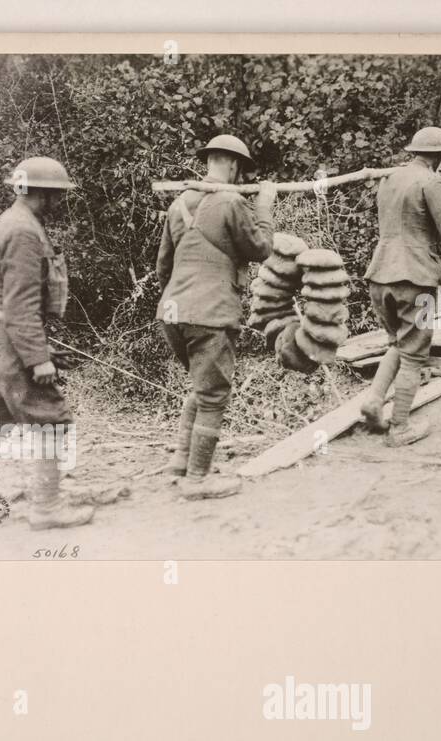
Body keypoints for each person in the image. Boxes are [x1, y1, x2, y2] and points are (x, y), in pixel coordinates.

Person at [0, 156, 94, 530]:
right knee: (51, 415)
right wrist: (38, 359)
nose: (60, 203)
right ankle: (47, 509)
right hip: (10, 337)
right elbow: (21, 306)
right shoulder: (24, 232)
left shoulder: (14, 222)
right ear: (42, 194)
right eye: (57, 195)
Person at [156, 134, 275, 500]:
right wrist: (266, 206)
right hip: (209, 312)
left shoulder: (179, 203)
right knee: (213, 395)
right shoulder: (232, 201)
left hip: (172, 312)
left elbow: (164, 266)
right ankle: (197, 480)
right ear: (235, 166)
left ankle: (180, 461)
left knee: (201, 385)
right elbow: (262, 248)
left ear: (209, 161)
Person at [362, 126, 441, 447]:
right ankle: (400, 428)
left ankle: (374, 400)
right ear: (440, 157)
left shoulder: (389, 179)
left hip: (379, 276)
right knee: (414, 355)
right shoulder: (432, 182)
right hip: (414, 280)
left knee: (397, 343)